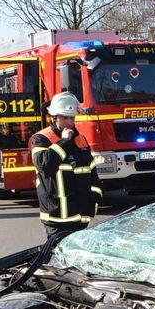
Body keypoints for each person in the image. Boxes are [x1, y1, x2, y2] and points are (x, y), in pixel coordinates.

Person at [30, 92, 102, 242]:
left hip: (81, 216)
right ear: (54, 117)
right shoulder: (41, 139)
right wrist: (63, 142)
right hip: (57, 216)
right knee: (58, 261)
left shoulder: (81, 139)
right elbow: (45, 166)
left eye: (72, 117)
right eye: (65, 117)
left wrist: (95, 200)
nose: (70, 122)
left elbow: (92, 171)